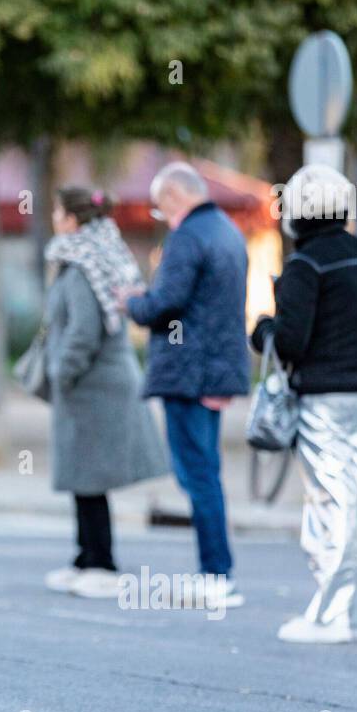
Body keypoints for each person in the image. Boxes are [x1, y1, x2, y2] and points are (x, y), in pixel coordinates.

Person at [251, 165, 357, 644]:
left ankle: (328, 617)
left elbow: (292, 342)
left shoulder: (305, 266)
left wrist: (264, 329)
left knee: (330, 505)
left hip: (325, 399)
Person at [117, 162, 249, 608]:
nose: (161, 217)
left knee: (197, 473)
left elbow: (166, 303)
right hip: (216, 369)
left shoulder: (189, 236)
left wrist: (133, 304)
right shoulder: (228, 231)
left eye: (160, 208)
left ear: (174, 197)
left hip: (189, 373)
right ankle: (218, 570)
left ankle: (216, 574)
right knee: (206, 469)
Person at [41, 187, 169, 598]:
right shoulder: (98, 252)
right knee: (86, 475)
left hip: (93, 384)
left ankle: (101, 562)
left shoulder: (81, 263)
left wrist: (62, 372)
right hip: (97, 382)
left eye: (58, 210)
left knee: (90, 475)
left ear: (73, 219)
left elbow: (84, 329)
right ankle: (85, 557)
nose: (55, 218)